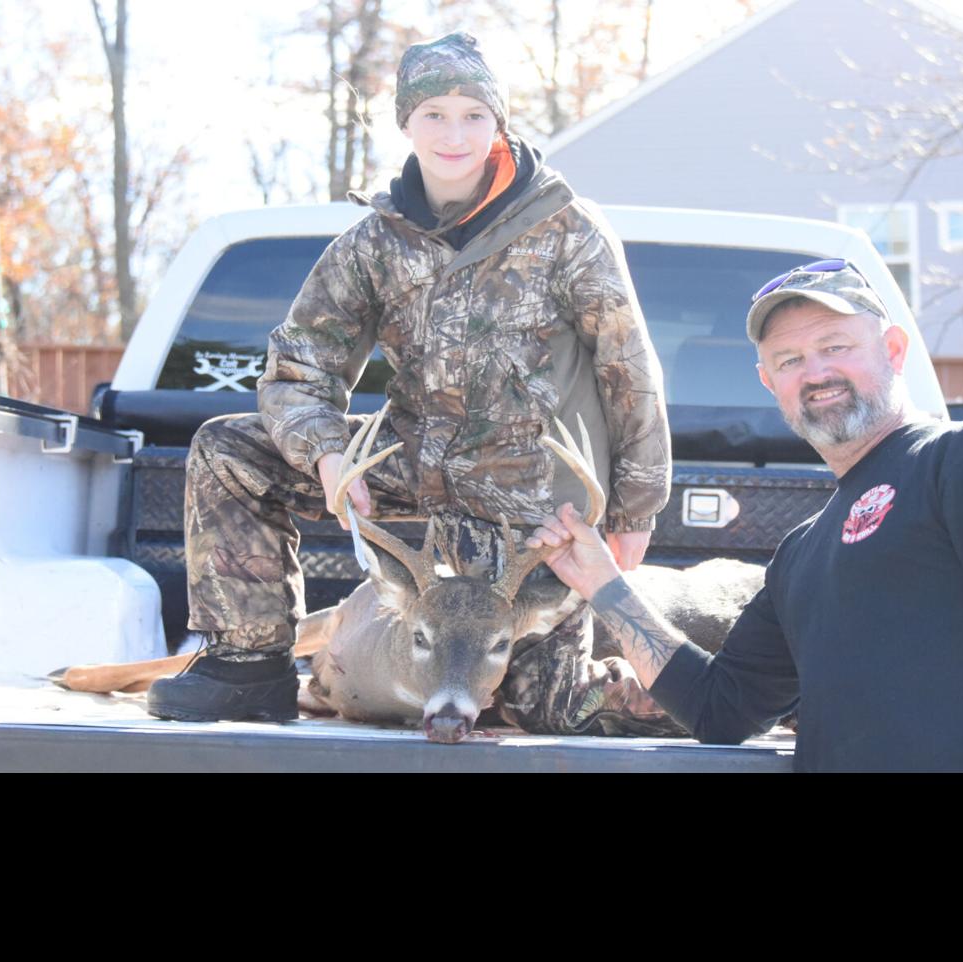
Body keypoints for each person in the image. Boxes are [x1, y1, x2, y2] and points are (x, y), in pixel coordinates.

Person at [148, 32, 675, 735]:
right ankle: (247, 666)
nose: (453, 133)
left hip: (530, 518)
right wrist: (329, 457)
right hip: (416, 483)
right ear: (405, 123)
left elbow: (628, 372)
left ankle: (715, 688)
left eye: (472, 114)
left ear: (499, 123)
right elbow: (300, 366)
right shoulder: (372, 244)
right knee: (228, 450)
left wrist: (634, 511)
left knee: (550, 711)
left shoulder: (567, 230)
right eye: (434, 115)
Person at [527, 260, 963, 771]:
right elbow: (719, 707)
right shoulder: (801, 555)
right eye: (789, 360)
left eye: (836, 347)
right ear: (769, 383)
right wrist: (604, 584)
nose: (815, 373)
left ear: (892, 350)